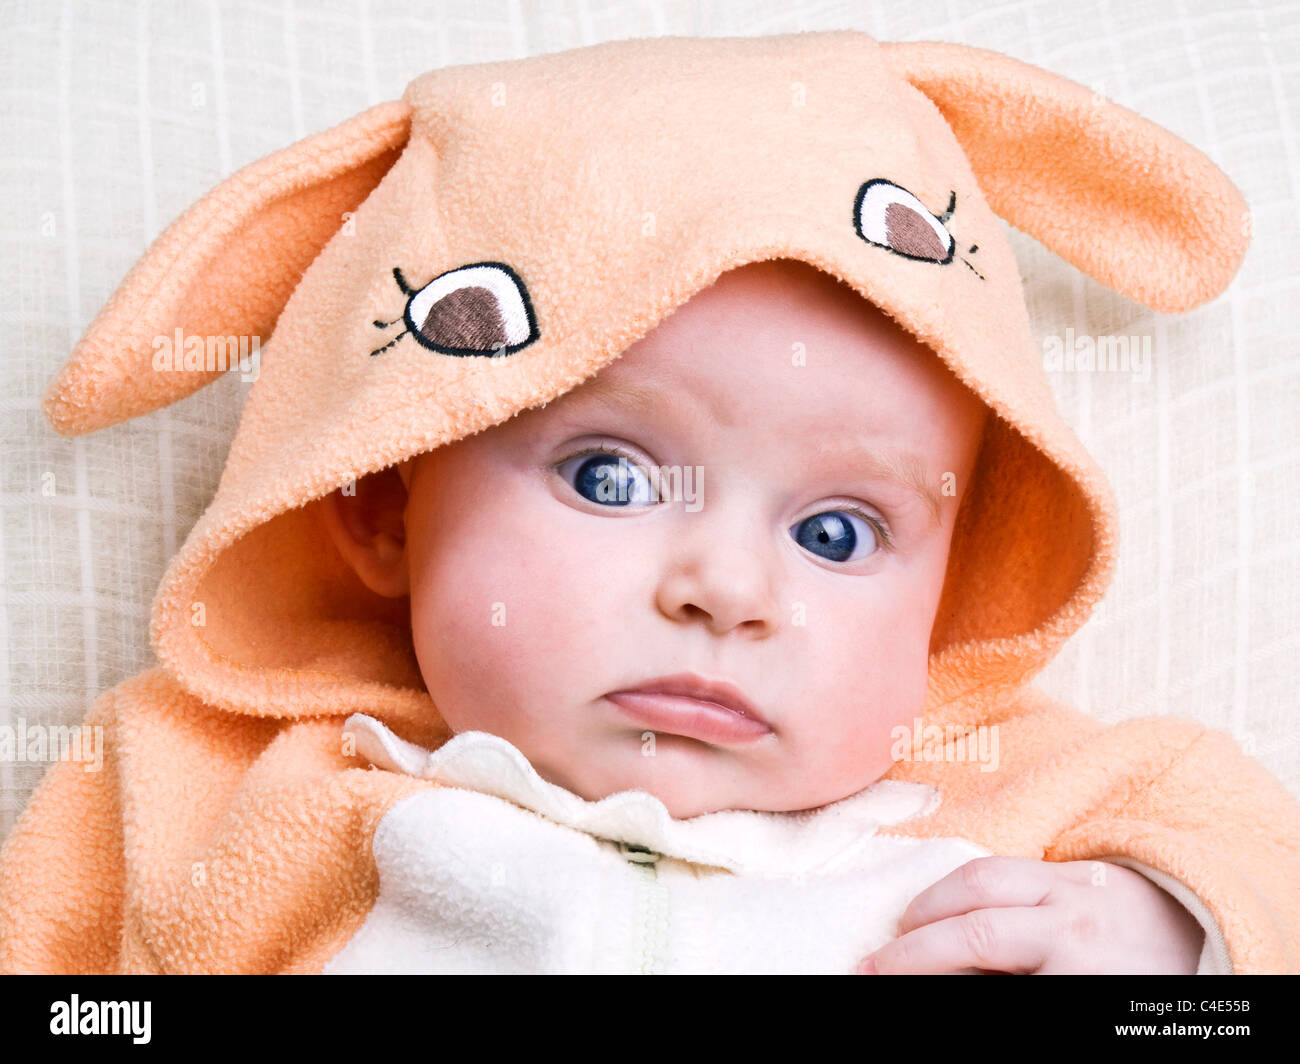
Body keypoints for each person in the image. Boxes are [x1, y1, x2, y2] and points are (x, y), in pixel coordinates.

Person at [2, 30, 1295, 974]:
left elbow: (1264, 870)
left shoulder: (1044, 799)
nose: (725, 592)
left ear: (953, 573)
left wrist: (1174, 941)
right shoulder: (207, 791)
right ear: (386, 496)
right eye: (607, 475)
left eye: (837, 533)